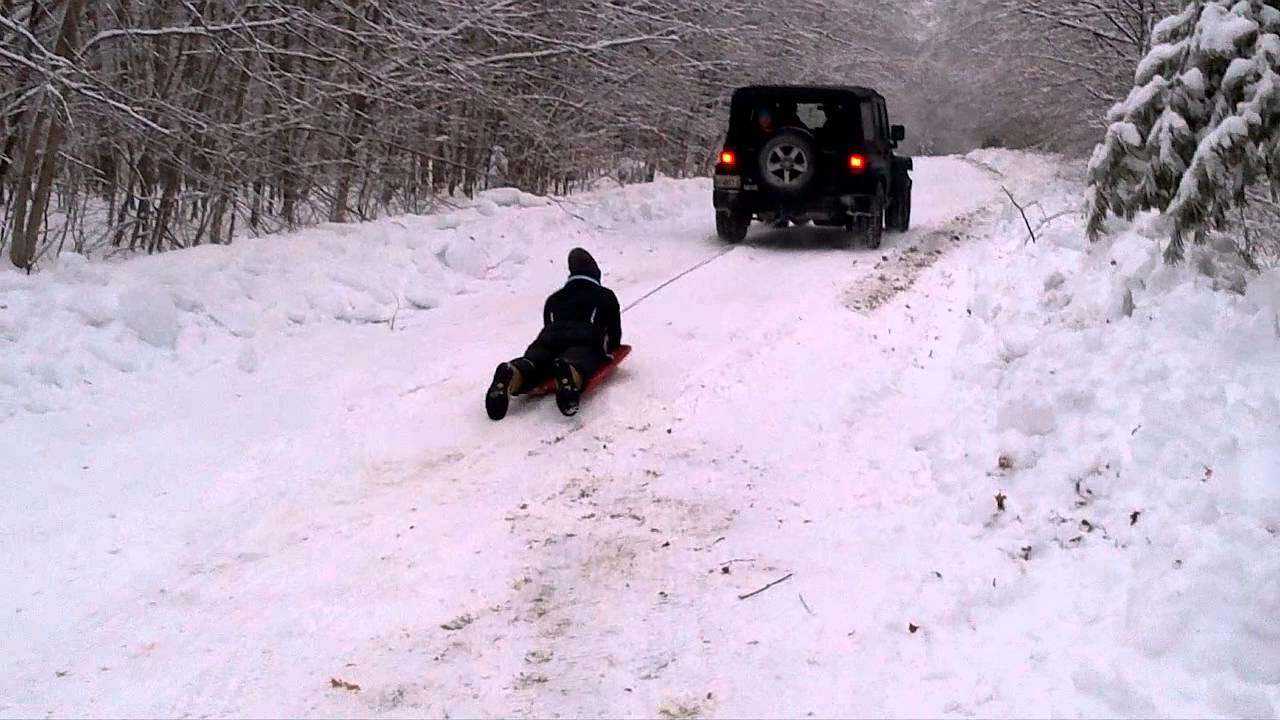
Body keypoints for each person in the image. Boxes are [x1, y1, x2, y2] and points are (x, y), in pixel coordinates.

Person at [485, 247, 622, 420]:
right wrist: (608, 349)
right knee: (580, 358)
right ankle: (569, 374)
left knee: (536, 363)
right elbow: (615, 336)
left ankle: (513, 373)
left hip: (548, 340)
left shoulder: (554, 299)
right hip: (584, 339)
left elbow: (547, 325)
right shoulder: (605, 295)